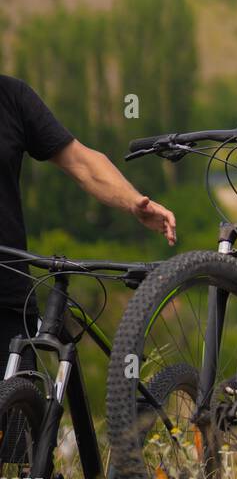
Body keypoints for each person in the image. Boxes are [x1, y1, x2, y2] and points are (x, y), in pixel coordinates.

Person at [0, 74, 177, 367]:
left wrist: (134, 202)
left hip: (7, 298)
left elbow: (81, 162)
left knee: (17, 409)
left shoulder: (11, 96)